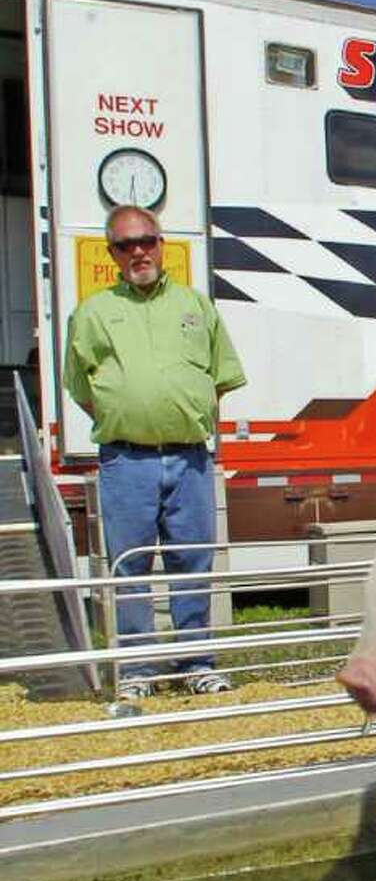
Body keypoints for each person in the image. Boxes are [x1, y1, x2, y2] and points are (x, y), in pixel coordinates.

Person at [63, 205, 247, 700]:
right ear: (112, 254)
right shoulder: (91, 314)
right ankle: (138, 669)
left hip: (190, 459)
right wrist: (132, 414)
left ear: (162, 244)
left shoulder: (196, 306)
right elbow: (81, 389)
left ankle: (196, 664)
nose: (138, 251)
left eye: (147, 240)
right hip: (126, 462)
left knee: (193, 562)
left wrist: (181, 411)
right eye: (126, 245)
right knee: (130, 565)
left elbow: (220, 377)